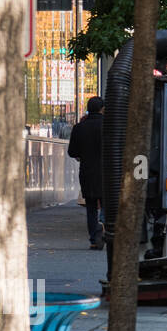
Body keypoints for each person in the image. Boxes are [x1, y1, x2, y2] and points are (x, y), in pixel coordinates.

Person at [67, 97, 105, 249]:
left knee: (90, 206)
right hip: (107, 171)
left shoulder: (79, 127)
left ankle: (94, 239)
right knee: (107, 203)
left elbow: (72, 152)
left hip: (87, 171)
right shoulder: (109, 126)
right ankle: (104, 226)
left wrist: (81, 155)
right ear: (102, 109)